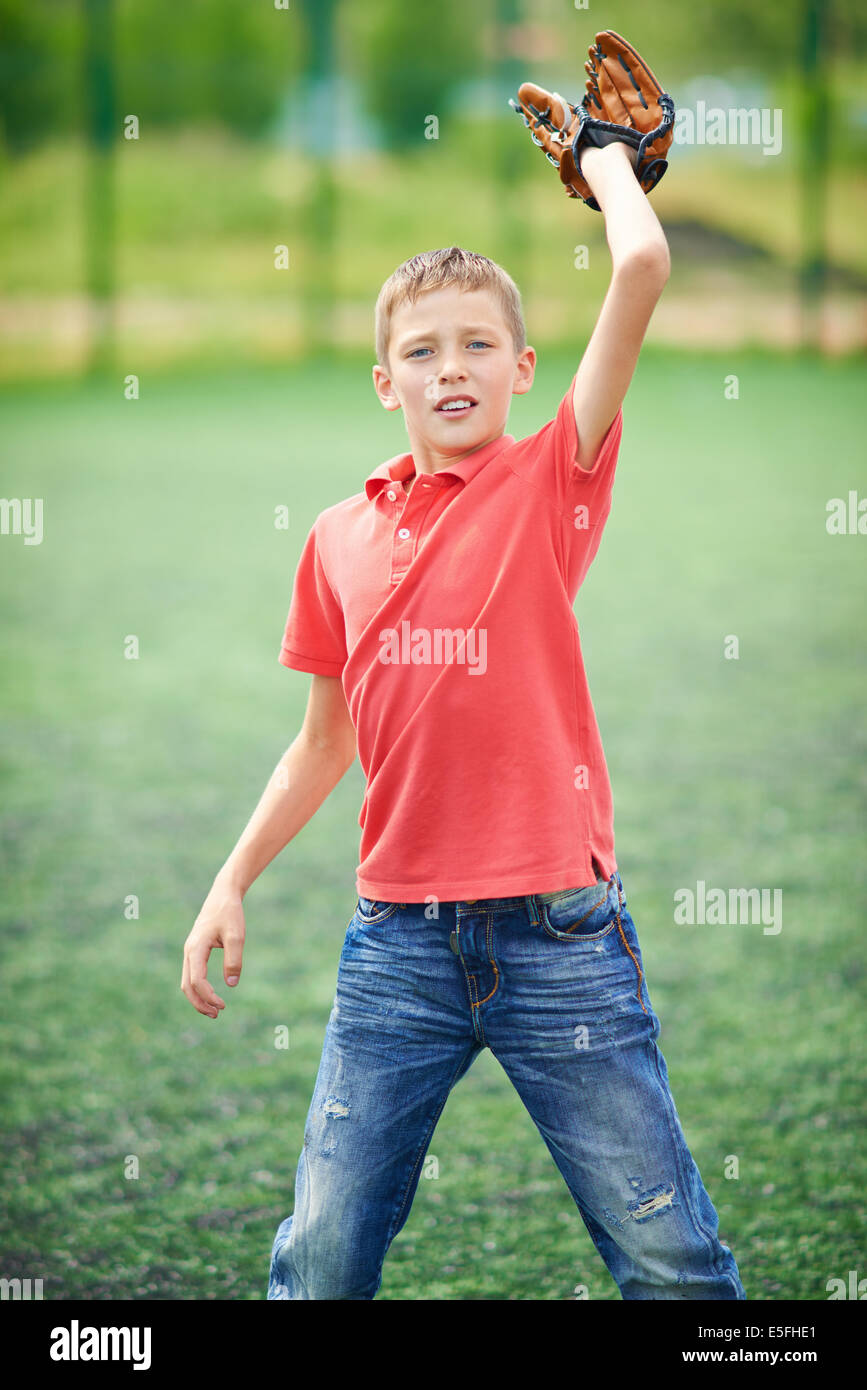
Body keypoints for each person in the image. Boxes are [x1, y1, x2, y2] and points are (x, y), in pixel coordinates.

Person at [181, 140, 746, 1300]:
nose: (453, 368)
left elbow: (641, 265)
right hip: (398, 946)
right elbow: (322, 740)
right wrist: (230, 879)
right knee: (323, 1256)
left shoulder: (551, 481)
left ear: (524, 367)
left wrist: (608, 170)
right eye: (422, 350)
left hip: (561, 940)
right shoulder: (337, 537)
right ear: (385, 379)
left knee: (671, 1260)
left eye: (479, 345)